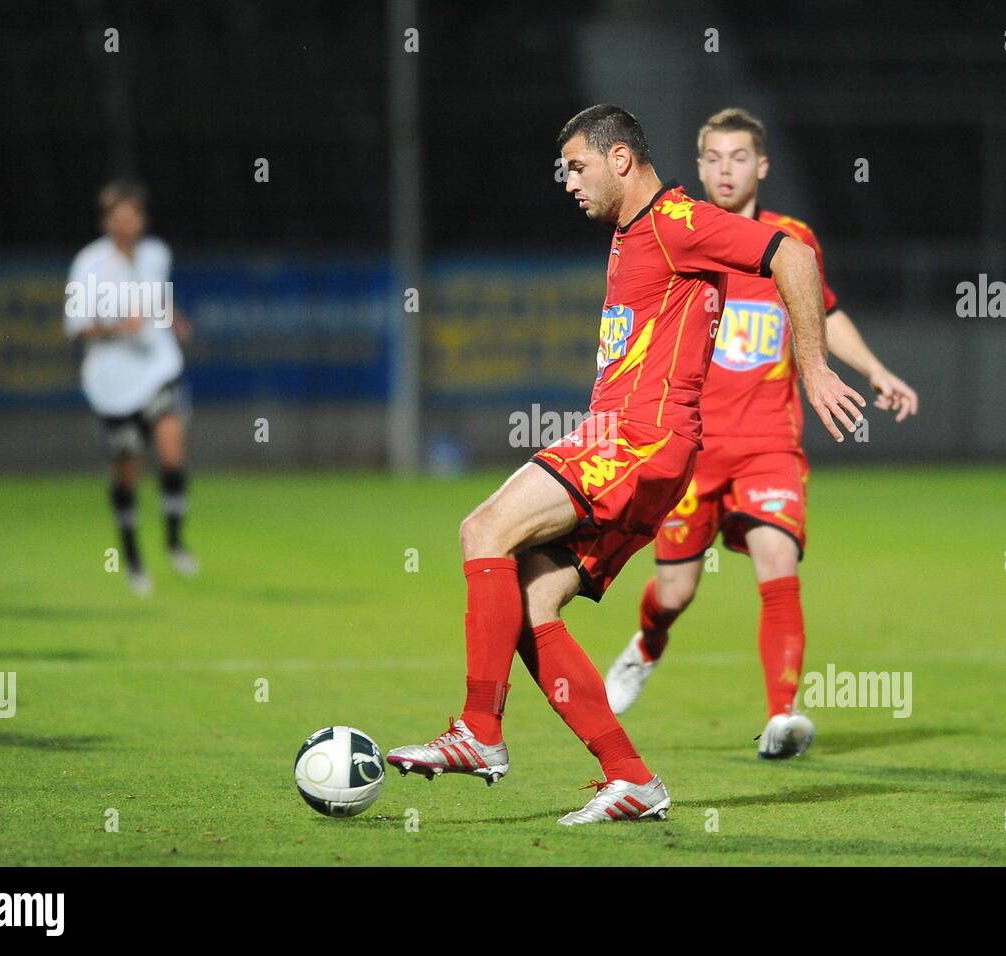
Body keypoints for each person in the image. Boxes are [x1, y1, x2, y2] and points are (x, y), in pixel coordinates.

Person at [385, 105, 865, 825]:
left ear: (620, 160)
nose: (569, 183)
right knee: (527, 601)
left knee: (482, 530)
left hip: (638, 439)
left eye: (577, 167)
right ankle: (632, 779)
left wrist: (815, 365)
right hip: (645, 448)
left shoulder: (676, 221)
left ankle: (480, 731)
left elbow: (790, 254)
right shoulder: (630, 233)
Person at [604, 108, 919, 758]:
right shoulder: (682, 233)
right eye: (714, 158)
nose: (726, 170)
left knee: (778, 558)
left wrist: (875, 370)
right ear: (699, 166)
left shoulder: (791, 241)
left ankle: (782, 717)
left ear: (762, 166)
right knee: (675, 591)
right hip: (691, 448)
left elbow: (824, 312)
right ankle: (648, 643)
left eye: (739, 157)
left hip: (770, 444)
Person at [65, 181, 197, 597]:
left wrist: (174, 319)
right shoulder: (89, 264)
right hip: (113, 383)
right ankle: (134, 558)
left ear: (142, 219)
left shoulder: (156, 254)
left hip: (158, 368)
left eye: (133, 215)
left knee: (172, 448)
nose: (127, 223)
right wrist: (118, 327)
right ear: (107, 221)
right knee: (128, 471)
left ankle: (174, 541)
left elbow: (157, 298)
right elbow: (75, 328)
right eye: (119, 216)